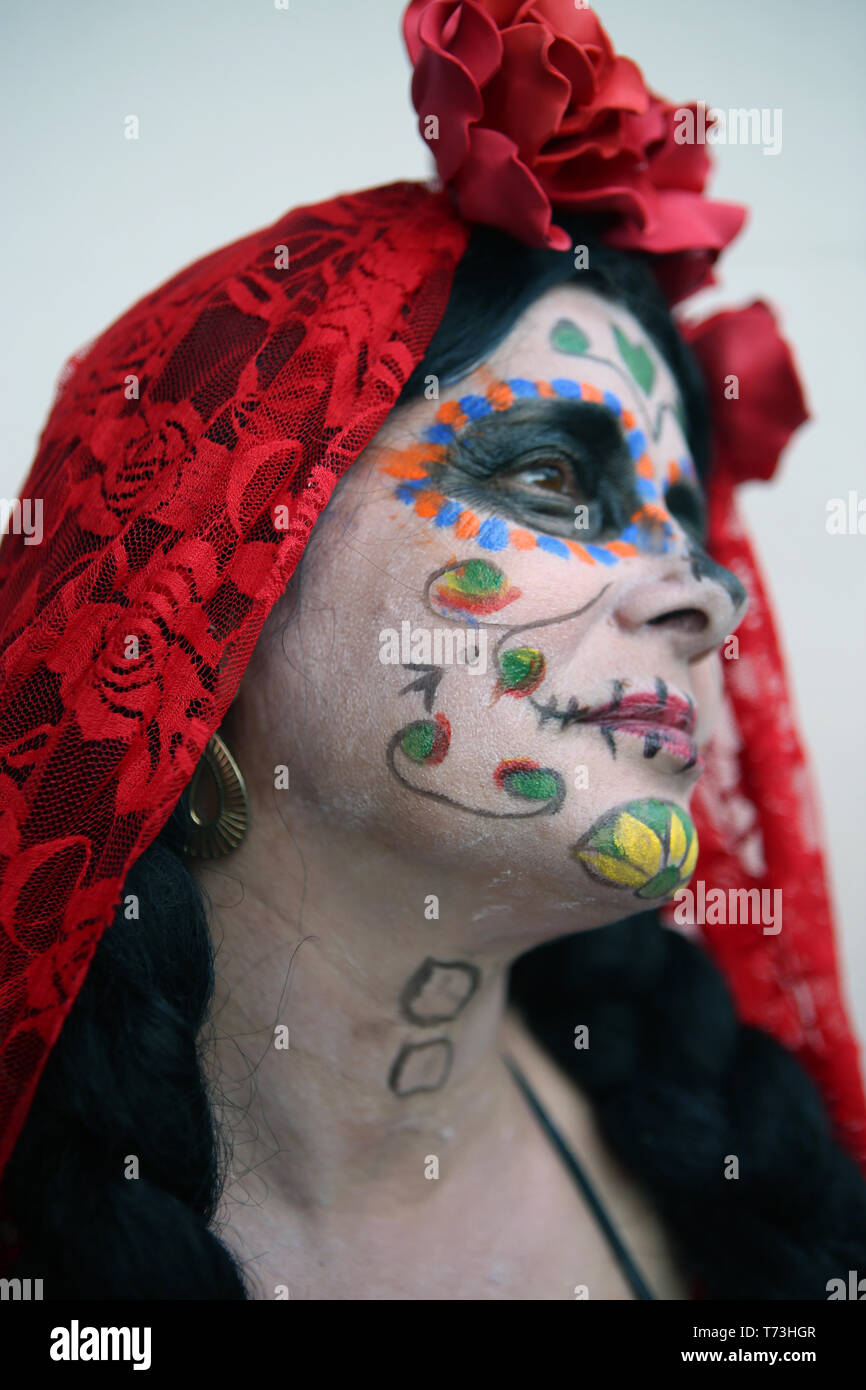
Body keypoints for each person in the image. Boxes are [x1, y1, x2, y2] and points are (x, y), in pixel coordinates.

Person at [1, 1, 865, 1301]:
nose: (702, 598)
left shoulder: (742, 1167)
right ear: (220, 581)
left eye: (684, 527)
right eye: (547, 472)